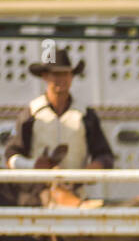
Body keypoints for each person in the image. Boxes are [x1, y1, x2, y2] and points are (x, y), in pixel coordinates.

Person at [4, 48, 114, 202]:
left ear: (71, 76)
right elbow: (11, 156)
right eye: (55, 74)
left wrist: (88, 172)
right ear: (45, 76)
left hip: (75, 192)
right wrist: (33, 165)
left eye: (65, 73)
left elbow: (105, 155)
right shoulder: (31, 114)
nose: (60, 79)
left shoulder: (85, 115)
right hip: (35, 197)